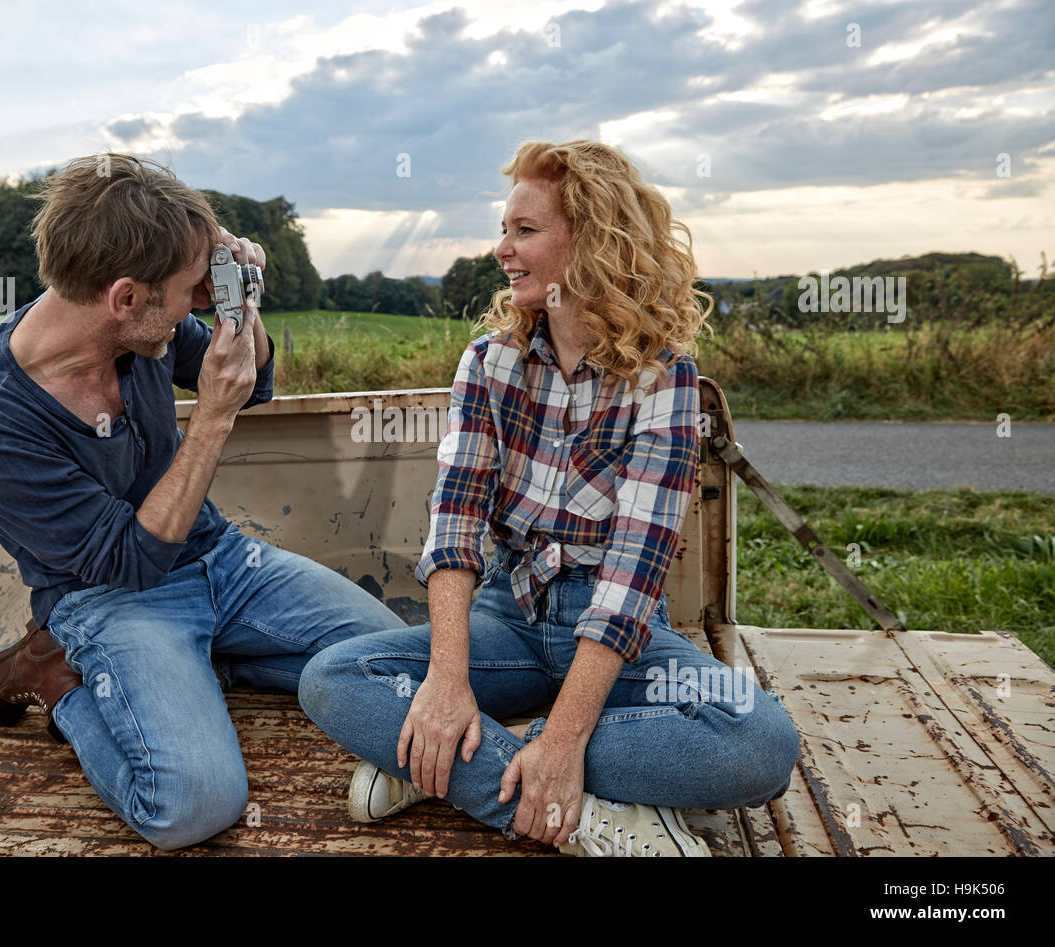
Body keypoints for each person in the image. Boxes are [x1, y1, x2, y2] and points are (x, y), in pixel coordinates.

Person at [299, 139, 800, 857]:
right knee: (336, 676)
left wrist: (561, 742)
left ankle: (440, 764)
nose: (502, 249)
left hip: (618, 639)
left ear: (592, 241)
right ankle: (591, 818)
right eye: (505, 229)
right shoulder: (487, 363)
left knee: (758, 743)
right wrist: (445, 684)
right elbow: (456, 525)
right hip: (510, 614)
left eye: (524, 230)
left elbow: (632, 579)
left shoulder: (665, 381)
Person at [0, 153, 404, 850]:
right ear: (125, 297)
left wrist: (240, 303)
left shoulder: (140, 328)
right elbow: (132, 559)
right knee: (193, 806)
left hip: (217, 556)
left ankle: (199, 664)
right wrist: (211, 418)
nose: (196, 306)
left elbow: (262, 378)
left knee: (397, 662)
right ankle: (59, 681)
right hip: (109, 595)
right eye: (192, 290)